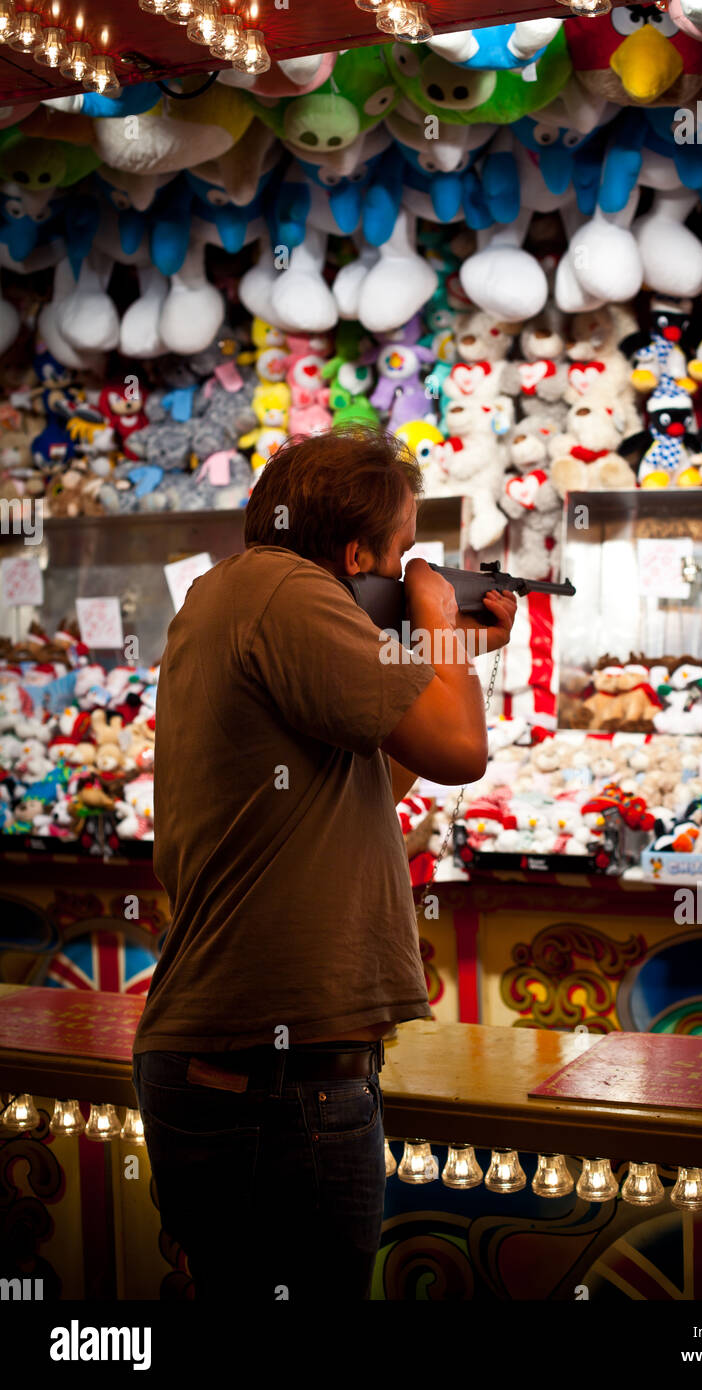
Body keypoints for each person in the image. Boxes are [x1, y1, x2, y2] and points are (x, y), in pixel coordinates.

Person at [132, 426, 516, 1302]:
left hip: (258, 1069)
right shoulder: (286, 592)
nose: (411, 567)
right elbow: (461, 751)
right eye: (403, 551)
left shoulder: (247, 593)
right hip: (275, 1081)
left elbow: (380, 774)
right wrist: (436, 625)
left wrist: (438, 651)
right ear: (355, 553)